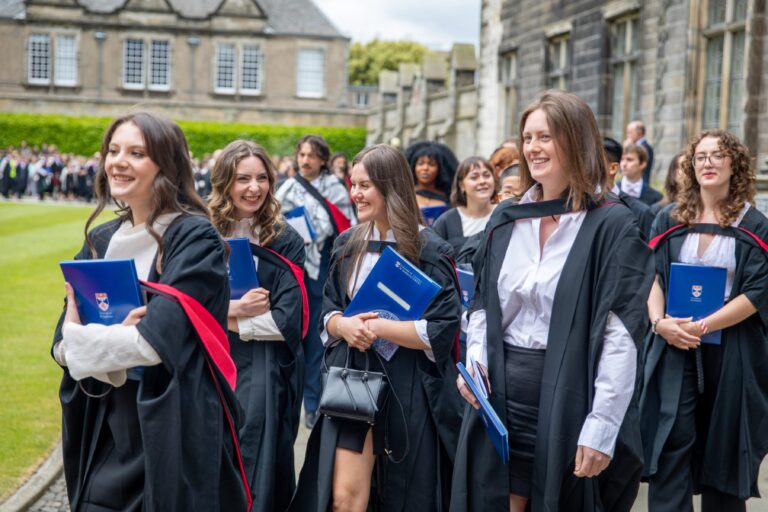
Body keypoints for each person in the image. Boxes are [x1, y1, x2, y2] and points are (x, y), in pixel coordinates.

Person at [451, 90, 653, 512]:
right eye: (528, 137)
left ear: (576, 140)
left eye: (546, 136)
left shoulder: (611, 224)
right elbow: (483, 304)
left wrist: (602, 425)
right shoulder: (507, 219)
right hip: (500, 395)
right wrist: (475, 365)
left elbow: (621, 333)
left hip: (568, 398)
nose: (533, 148)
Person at [51, 112, 249, 510]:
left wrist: (83, 340)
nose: (118, 161)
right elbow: (59, 346)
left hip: (169, 429)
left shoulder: (195, 238)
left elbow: (154, 343)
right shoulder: (101, 239)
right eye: (113, 150)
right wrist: (95, 341)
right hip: (105, 425)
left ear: (166, 164)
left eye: (136, 152)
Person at [290, 144, 463, 512]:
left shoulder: (428, 250)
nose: (355, 194)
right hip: (354, 379)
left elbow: (442, 330)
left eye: (365, 185)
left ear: (390, 186)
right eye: (353, 184)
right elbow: (329, 311)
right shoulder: (347, 244)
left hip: (410, 383)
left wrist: (380, 328)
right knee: (343, 498)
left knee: (404, 496)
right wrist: (344, 325)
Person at [640, 130, 768, 512]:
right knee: (670, 440)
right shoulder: (669, 216)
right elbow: (652, 276)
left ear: (735, 165)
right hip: (674, 343)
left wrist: (704, 326)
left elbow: (758, 291)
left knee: (724, 445)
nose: (707, 163)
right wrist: (659, 322)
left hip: (732, 351)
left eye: (717, 156)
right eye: (700, 157)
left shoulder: (755, 224)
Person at [209, 139, 308, 511]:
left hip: (262, 364)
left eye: (262, 178)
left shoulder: (284, 239)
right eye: (242, 179)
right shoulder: (200, 232)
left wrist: (227, 321)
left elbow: (288, 320)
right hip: (208, 357)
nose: (254, 188)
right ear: (224, 182)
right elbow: (177, 305)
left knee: (255, 453)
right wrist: (233, 309)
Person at [276, 134, 356, 429]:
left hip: (325, 268)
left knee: (317, 340)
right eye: (301, 155)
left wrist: (314, 225)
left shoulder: (335, 187)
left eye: (311, 155)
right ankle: (300, 402)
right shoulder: (288, 187)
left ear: (323, 158)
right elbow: (273, 220)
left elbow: (346, 227)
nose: (305, 161)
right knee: (297, 334)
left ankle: (315, 403)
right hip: (296, 268)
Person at [432, 156, 497, 256]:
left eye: (487, 175)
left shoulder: (503, 214)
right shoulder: (446, 221)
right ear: (462, 185)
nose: (482, 181)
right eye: (474, 177)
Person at [603, 137, 655, 239]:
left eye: (630, 160)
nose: (624, 164)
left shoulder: (650, 204)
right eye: (622, 159)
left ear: (643, 164)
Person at [404, 141, 459, 208]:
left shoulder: (450, 198)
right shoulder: (405, 197)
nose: (425, 168)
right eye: (420, 163)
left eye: (431, 164)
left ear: (440, 168)